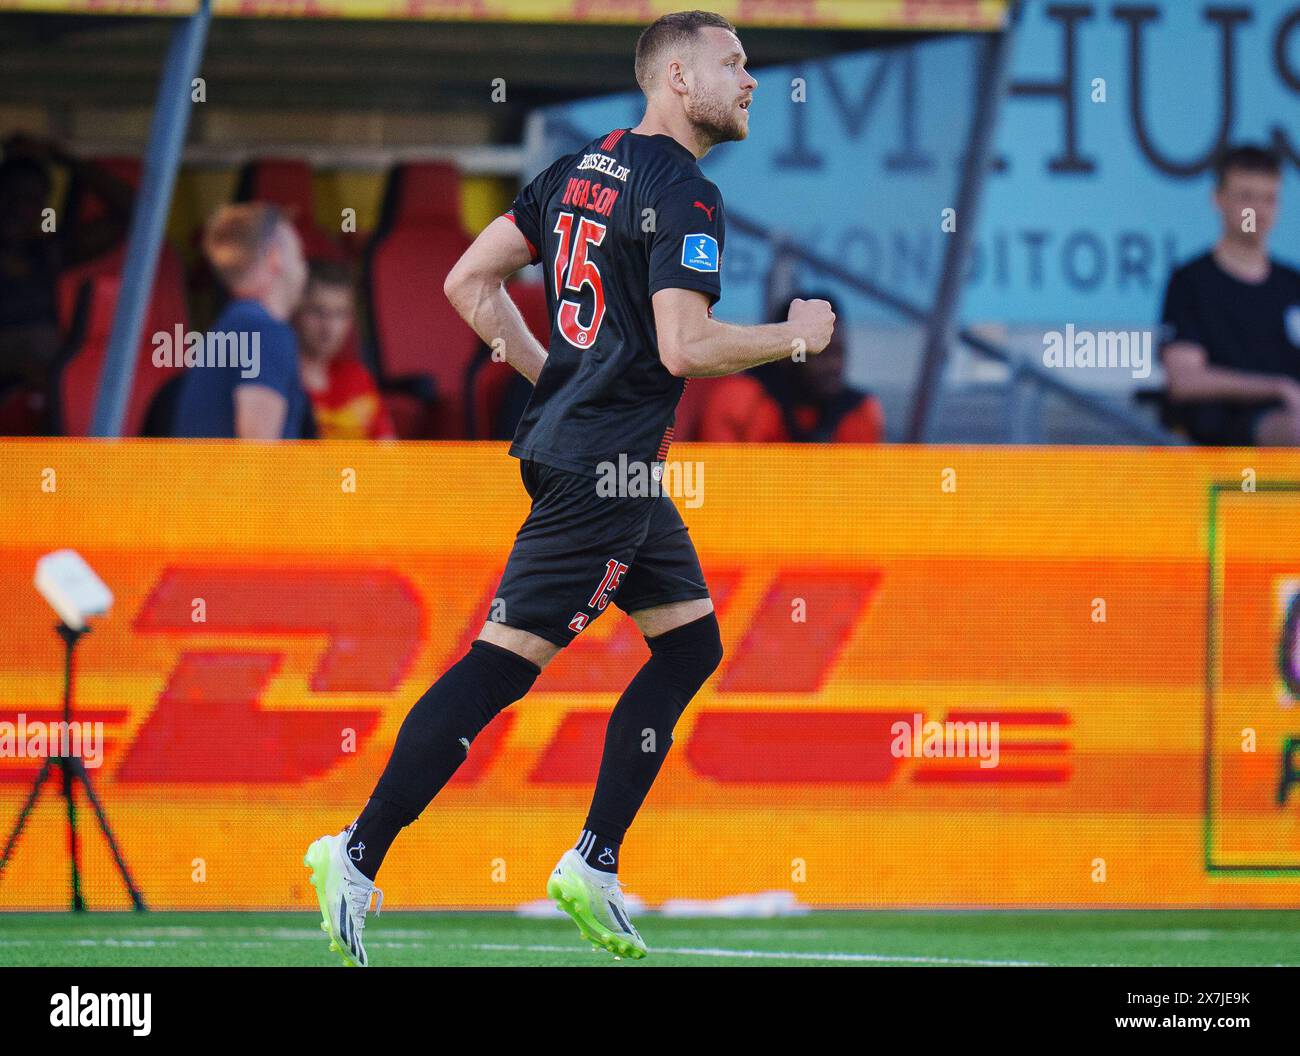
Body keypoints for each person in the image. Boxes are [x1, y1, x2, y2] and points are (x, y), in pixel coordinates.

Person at [303, 9, 834, 965]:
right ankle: (354, 853)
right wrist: (797, 336)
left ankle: (593, 864)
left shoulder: (578, 170)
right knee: (502, 665)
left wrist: (555, 373)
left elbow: (470, 281)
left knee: (689, 645)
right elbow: (686, 344)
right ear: (676, 76)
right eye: (734, 62)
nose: (752, 80)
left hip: (593, 450)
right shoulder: (684, 191)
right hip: (606, 465)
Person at [1159, 145, 1300, 445]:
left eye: (1269, 199)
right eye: (1247, 197)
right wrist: (1276, 388)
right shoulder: (1192, 282)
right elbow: (1184, 380)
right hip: (1227, 434)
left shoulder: (1292, 284)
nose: (1258, 212)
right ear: (1218, 200)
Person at [0, 134, 134, 391]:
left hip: (44, 399)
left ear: (43, 207)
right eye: (8, 195)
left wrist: (64, 158)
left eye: (29, 200)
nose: (15, 208)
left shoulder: (49, 252)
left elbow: (136, 213)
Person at [172, 203, 313, 440]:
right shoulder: (266, 333)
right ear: (274, 258)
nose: (303, 268)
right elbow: (257, 459)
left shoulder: (233, 326)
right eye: (298, 256)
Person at [698, 292, 883, 442]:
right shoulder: (740, 401)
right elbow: (718, 480)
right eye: (821, 354)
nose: (833, 366)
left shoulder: (859, 412)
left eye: (839, 353)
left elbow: (862, 484)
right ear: (789, 353)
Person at [294, 259, 395, 440]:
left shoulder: (358, 378)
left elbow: (389, 454)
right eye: (318, 311)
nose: (329, 328)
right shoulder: (283, 381)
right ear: (296, 310)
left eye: (340, 314)